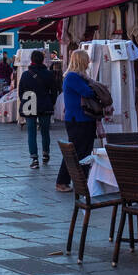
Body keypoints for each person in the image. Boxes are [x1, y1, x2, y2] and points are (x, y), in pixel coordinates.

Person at [56, 49, 98, 192]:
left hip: (83, 118)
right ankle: (62, 181)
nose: (89, 63)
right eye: (86, 60)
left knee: (84, 152)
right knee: (75, 151)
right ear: (81, 61)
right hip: (78, 119)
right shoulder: (73, 77)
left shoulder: (77, 77)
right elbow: (87, 92)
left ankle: (82, 181)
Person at [18, 50, 58, 169]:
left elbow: (21, 92)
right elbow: (54, 91)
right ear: (43, 60)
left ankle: (34, 159)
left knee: (31, 132)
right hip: (45, 104)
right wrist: (51, 102)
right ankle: (46, 154)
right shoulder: (49, 74)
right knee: (45, 131)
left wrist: (25, 102)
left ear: (32, 60)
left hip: (30, 103)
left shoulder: (26, 74)